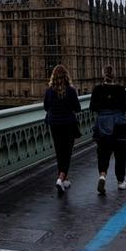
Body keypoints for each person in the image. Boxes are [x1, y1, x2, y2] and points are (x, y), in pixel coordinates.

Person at [90, 65, 126, 194]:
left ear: (103, 75)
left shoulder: (97, 89)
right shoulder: (120, 89)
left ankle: (102, 176)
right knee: (120, 152)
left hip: (102, 124)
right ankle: (120, 181)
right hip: (119, 124)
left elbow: (92, 107)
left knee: (103, 152)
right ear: (114, 75)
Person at [43, 64, 81, 195]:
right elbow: (77, 108)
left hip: (54, 124)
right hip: (68, 124)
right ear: (66, 76)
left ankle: (64, 179)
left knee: (59, 152)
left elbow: (45, 106)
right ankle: (60, 178)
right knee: (67, 152)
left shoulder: (49, 91)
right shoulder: (70, 90)